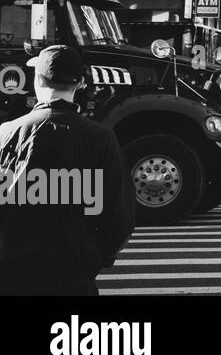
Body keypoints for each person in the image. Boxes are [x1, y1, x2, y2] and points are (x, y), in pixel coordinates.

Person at [0, 45, 135, 295]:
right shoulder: (101, 138)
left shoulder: (6, 134)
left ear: (37, 79)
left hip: (12, 275)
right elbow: (119, 217)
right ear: (80, 83)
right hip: (74, 276)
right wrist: (98, 256)